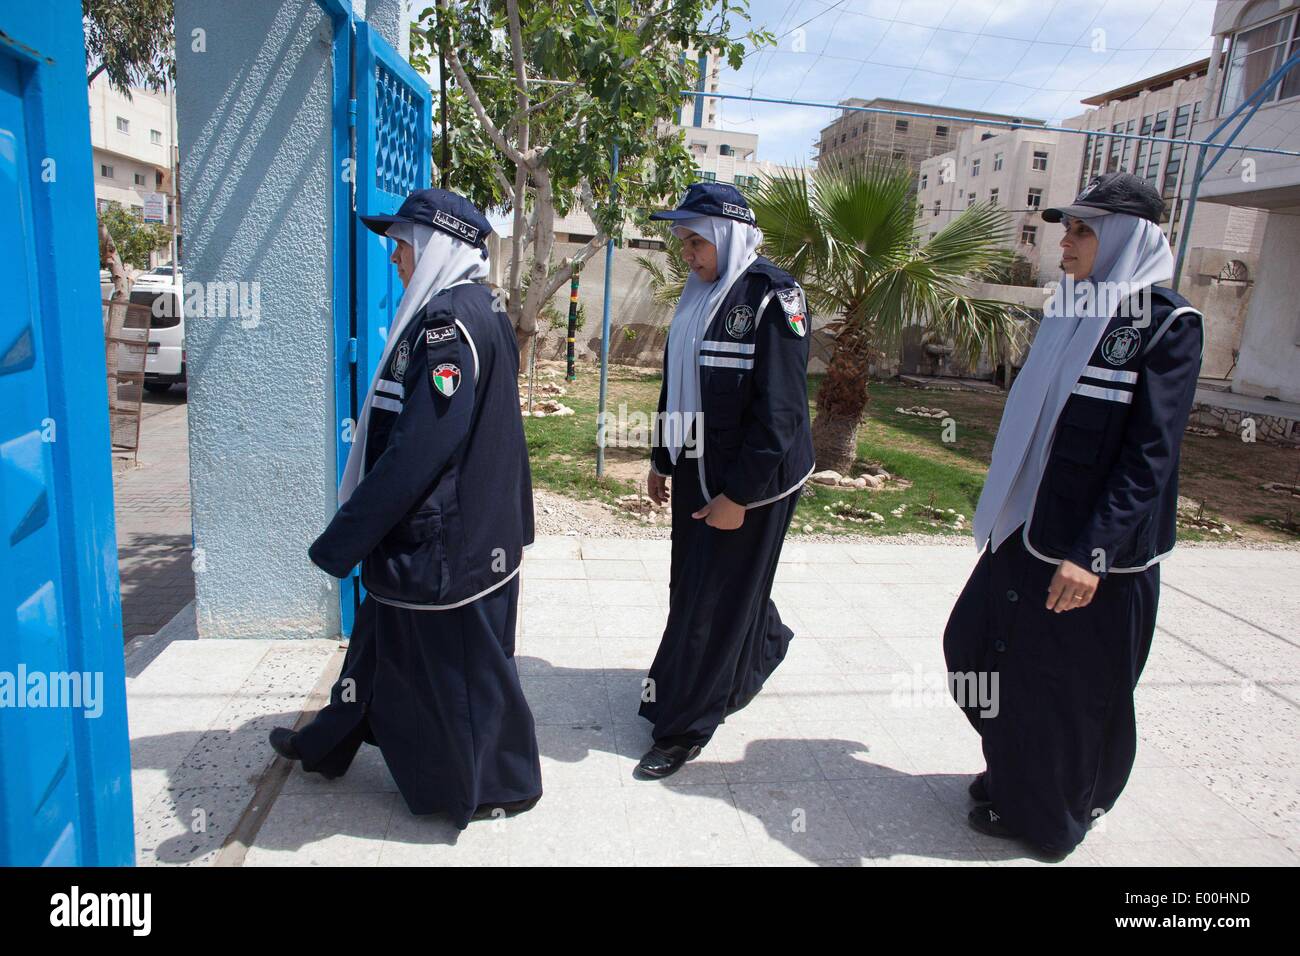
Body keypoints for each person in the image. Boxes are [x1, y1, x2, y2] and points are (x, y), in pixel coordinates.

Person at [943, 172, 1204, 857]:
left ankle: (1054, 815)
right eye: (1069, 227)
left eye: (1085, 229)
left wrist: (1090, 553)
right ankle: (1018, 770)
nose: (1068, 240)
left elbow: (1151, 454)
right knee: (973, 651)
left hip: (1094, 554)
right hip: (1027, 528)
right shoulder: (1070, 308)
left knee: (1067, 692)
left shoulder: (1166, 323)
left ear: (1126, 237)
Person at [267, 188, 542, 828]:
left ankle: (500, 784)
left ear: (436, 247)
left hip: (445, 544)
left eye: (402, 246)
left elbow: (420, 450)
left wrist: (347, 537)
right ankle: (328, 743)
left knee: (463, 677)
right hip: (455, 534)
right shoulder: (476, 312)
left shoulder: (447, 326)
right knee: (375, 643)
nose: (394, 258)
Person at [635, 182, 815, 779]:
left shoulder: (773, 296)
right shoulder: (698, 295)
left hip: (751, 480)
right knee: (696, 582)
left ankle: (685, 726)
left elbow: (782, 411)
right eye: (682, 242)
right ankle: (760, 644)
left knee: (713, 595)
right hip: (697, 464)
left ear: (728, 235)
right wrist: (664, 460)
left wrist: (738, 496)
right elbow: (679, 383)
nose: (687, 253)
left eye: (696, 241)